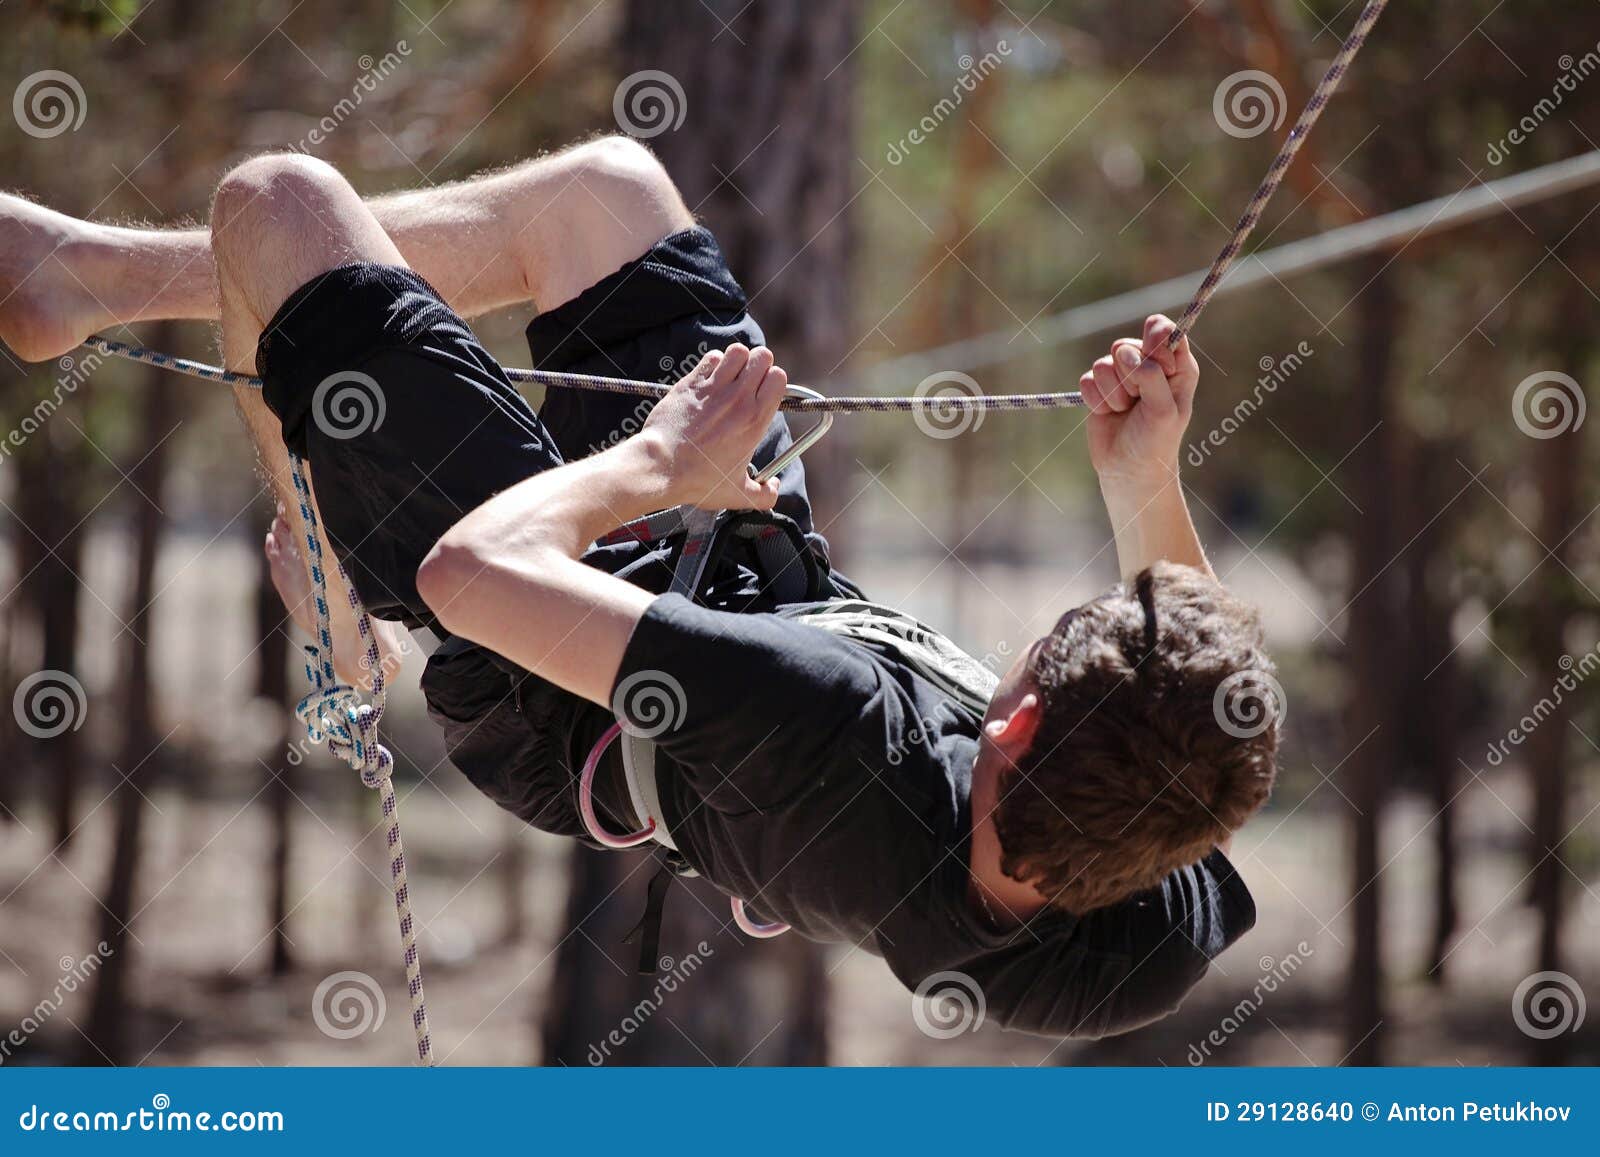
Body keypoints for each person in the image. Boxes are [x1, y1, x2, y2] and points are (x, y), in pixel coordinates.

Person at [0, 135, 1279, 1039]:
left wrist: (657, 462)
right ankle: (92, 278)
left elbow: (479, 572)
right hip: (741, 588)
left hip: (541, 679)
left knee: (275, 200)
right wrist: (1142, 476)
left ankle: (333, 606)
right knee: (602, 197)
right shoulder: (1134, 939)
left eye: (1036, 654)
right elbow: (1197, 741)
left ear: (1014, 722)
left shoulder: (829, 720)